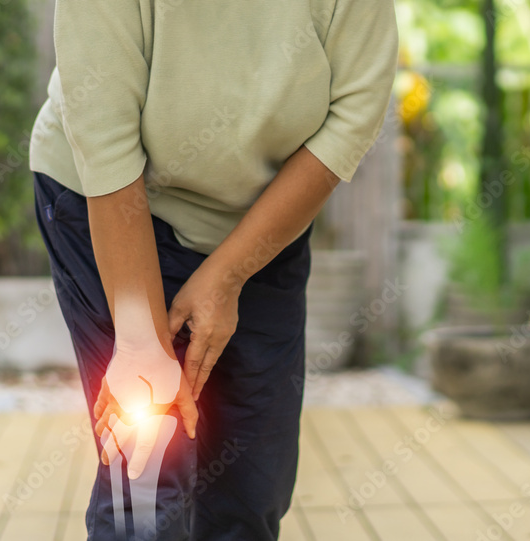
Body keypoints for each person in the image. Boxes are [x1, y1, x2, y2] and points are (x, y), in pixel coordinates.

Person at [28, 0, 398, 539]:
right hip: (114, 202)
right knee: (149, 472)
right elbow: (105, 142)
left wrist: (228, 275)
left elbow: (352, 116)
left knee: (251, 486)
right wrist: (138, 342)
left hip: (263, 219)